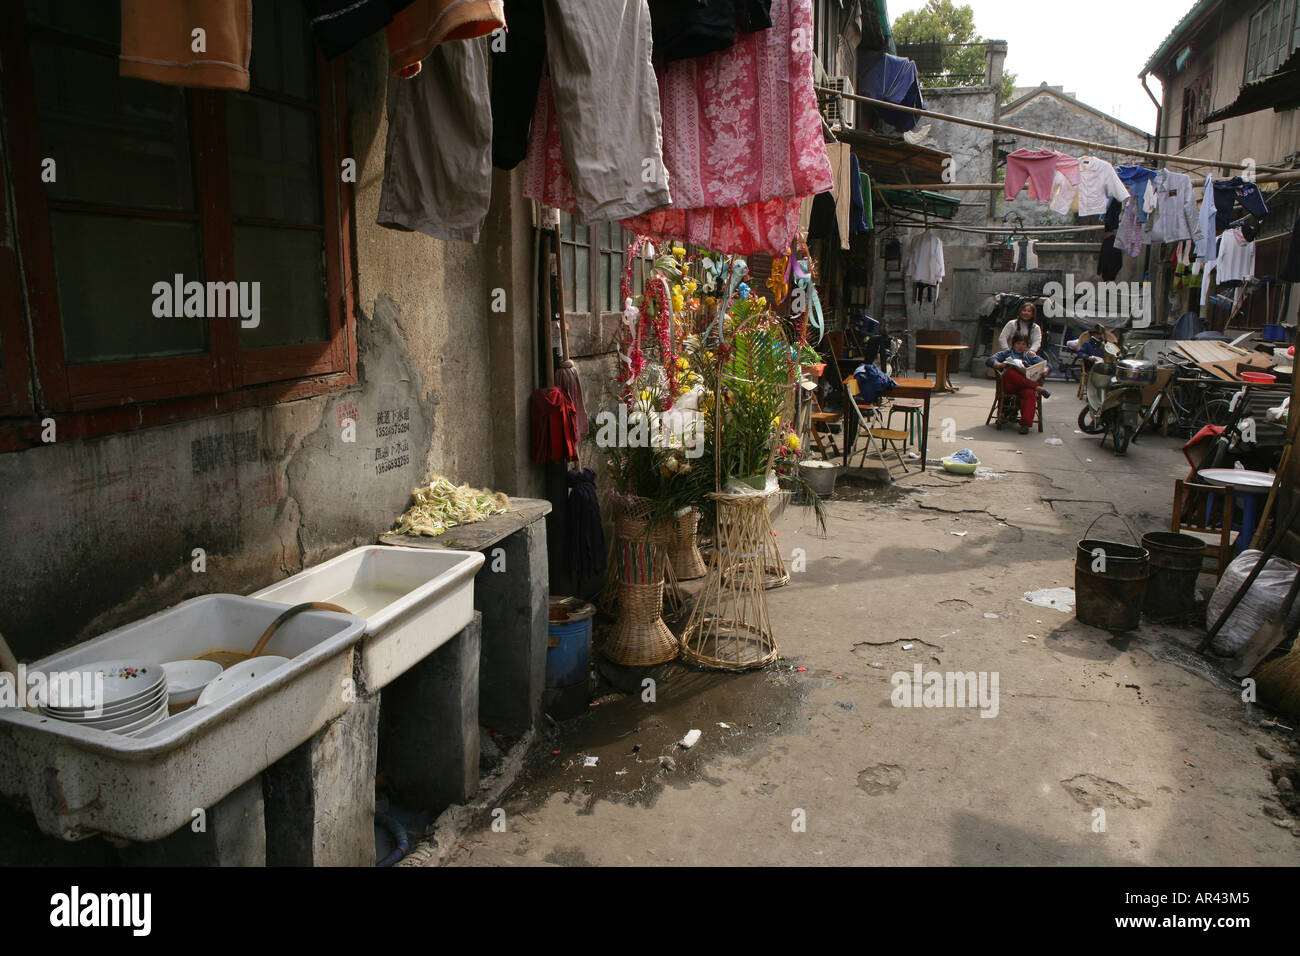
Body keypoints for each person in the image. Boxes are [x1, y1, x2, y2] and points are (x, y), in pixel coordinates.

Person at [988, 333, 1049, 434]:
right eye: (1018, 343)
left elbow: (1046, 364)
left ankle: (1025, 424)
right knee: (1010, 373)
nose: (1021, 346)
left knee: (1029, 393)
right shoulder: (1006, 353)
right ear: (1013, 344)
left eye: (1024, 344)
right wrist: (999, 364)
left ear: (1026, 346)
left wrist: (1045, 369)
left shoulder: (1029, 356)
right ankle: (1037, 388)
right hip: (1009, 386)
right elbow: (990, 360)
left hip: (1024, 386)